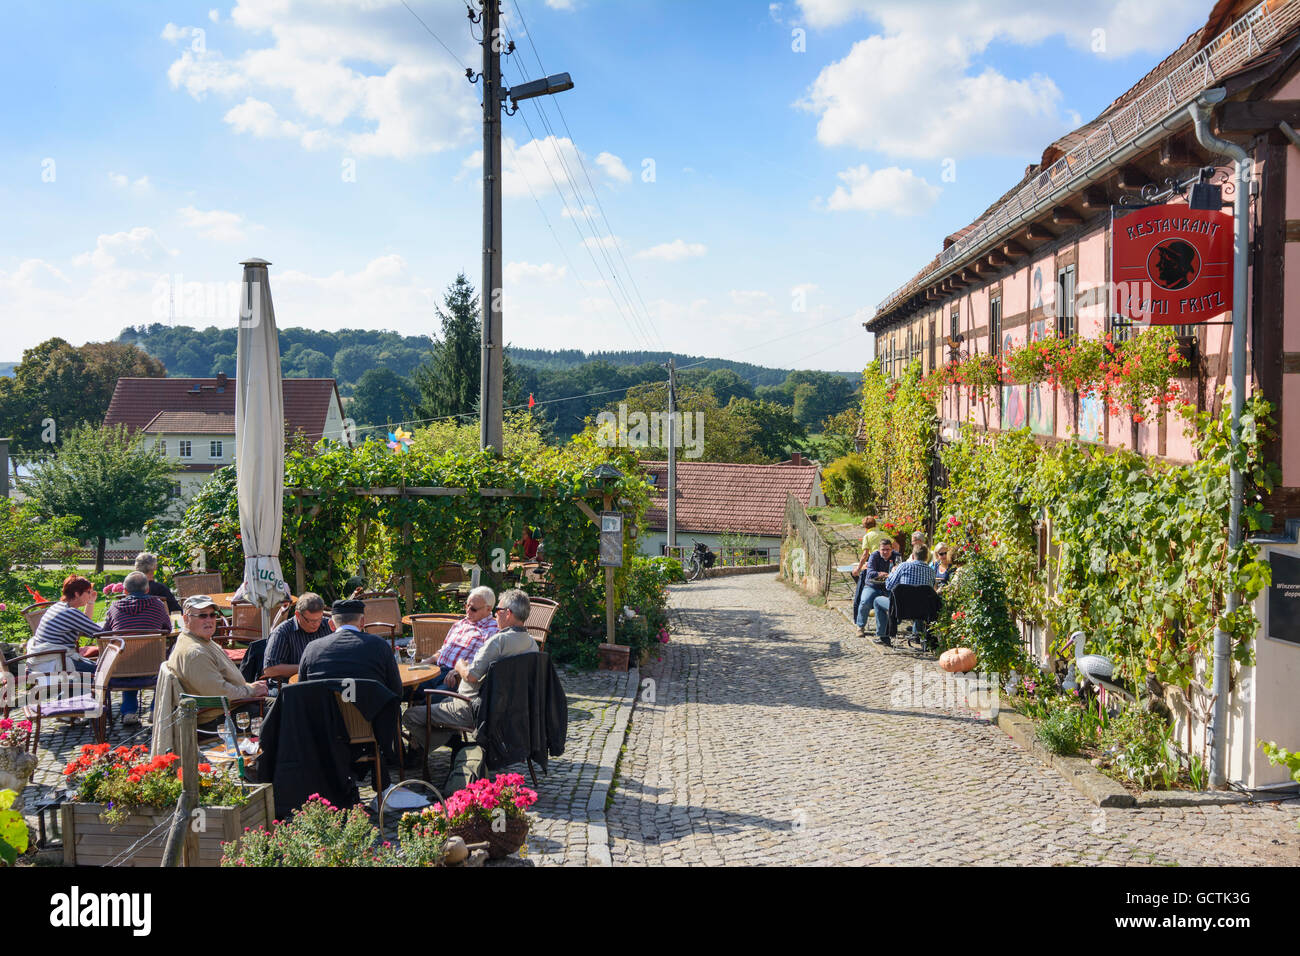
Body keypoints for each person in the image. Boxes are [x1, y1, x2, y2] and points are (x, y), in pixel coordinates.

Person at [402, 588, 538, 761]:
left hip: (473, 705)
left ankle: (450, 745)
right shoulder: (532, 644)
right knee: (403, 691)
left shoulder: (497, 640)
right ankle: (442, 744)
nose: (496, 615)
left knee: (411, 715)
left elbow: (472, 676)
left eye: (498, 611)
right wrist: (425, 663)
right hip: (509, 710)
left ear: (508, 613)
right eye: (466, 605)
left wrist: (459, 666)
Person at [169, 596, 268, 721]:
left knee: (286, 700)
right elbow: (220, 694)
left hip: (233, 704)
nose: (209, 620)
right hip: (220, 716)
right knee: (286, 712)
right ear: (186, 619)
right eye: (202, 616)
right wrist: (251, 690)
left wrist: (250, 687)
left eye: (212, 615)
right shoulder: (196, 653)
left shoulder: (200, 640)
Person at [102, 571, 172, 725]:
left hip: (121, 669)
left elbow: (105, 633)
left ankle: (129, 711)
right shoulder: (157, 605)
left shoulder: (114, 608)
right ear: (147, 589)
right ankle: (156, 709)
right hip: (152, 666)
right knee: (164, 658)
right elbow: (167, 629)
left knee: (128, 656)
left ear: (125, 591)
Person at [296, 599, 402, 697]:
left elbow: (302, 691)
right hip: (372, 716)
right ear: (362, 622)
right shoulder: (380, 645)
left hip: (324, 716)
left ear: (331, 624)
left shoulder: (312, 649)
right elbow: (396, 691)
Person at [416, 586, 498, 694]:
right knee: (401, 688)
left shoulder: (493, 630)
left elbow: (484, 663)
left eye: (473, 609)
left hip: (456, 678)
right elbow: (443, 650)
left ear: (488, 609)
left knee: (428, 704)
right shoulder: (460, 624)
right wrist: (426, 661)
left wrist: (458, 670)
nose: (468, 611)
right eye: (466, 606)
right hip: (436, 670)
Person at [27, 575, 103, 675]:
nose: (91, 594)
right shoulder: (70, 612)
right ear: (76, 594)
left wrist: (90, 602)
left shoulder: (58, 606)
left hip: (43, 661)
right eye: (88, 592)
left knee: (99, 668)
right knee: (104, 673)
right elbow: (101, 633)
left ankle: (83, 690)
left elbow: (84, 624)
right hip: (55, 664)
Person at [872, 544, 938, 646]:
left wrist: (892, 572)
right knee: (920, 599)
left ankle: (883, 635)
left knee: (877, 601)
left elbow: (889, 586)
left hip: (901, 609)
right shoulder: (932, 571)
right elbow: (931, 591)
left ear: (913, 555)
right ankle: (917, 634)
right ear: (926, 557)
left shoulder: (903, 566)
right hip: (922, 610)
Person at [262, 592, 334, 680]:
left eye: (319, 619)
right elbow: (270, 669)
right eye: (311, 620)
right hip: (289, 685)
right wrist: (308, 667)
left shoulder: (329, 625)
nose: (316, 624)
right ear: (297, 615)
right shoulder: (282, 632)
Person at [855, 538, 900, 637]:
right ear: (879, 549)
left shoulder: (897, 556)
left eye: (887, 550)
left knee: (895, 603)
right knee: (865, 601)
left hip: (889, 587)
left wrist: (896, 570)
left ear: (892, 549)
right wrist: (880, 574)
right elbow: (870, 573)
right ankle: (860, 626)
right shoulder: (874, 556)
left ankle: (890, 628)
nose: (885, 552)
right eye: (883, 550)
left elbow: (901, 572)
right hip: (873, 585)